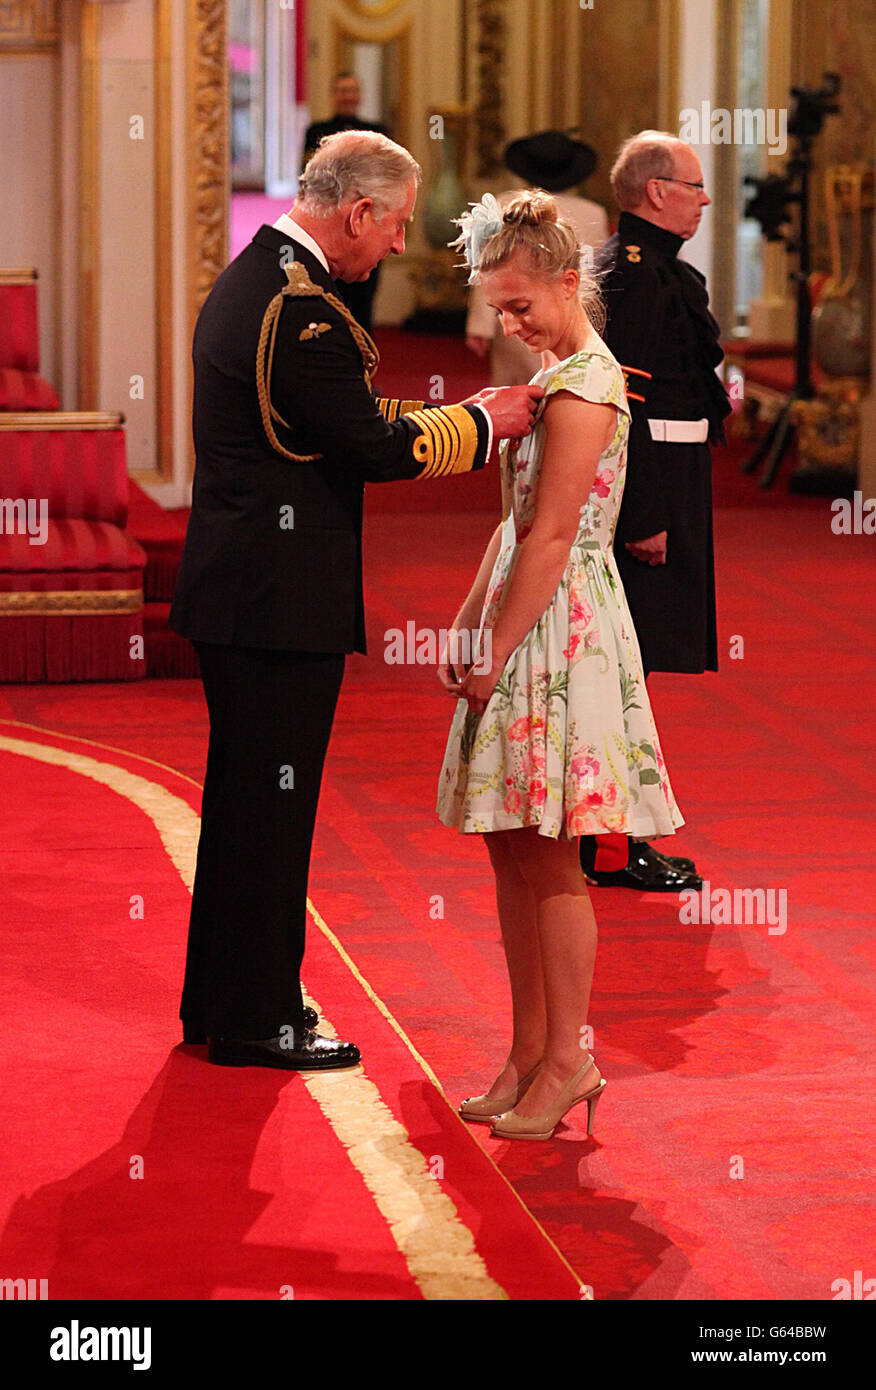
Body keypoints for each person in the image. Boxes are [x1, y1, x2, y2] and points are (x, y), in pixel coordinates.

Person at [170, 131, 543, 1072]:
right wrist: (483, 421)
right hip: (274, 598)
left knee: (246, 802)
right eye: (397, 226)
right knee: (271, 810)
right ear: (358, 213)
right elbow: (372, 443)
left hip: (244, 586)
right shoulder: (300, 310)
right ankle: (259, 1018)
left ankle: (224, 1000)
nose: (397, 246)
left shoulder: (257, 276)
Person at [436, 191, 683, 1140]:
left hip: (563, 628)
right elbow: (510, 527)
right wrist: (466, 623)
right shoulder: (551, 372)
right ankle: (528, 1052)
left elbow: (550, 539)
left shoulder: (588, 384)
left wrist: (494, 652)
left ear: (568, 281)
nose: (509, 322)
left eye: (520, 304)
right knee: (512, 845)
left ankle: (570, 1058)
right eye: (497, 308)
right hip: (523, 609)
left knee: (555, 857)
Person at [578, 131, 731, 893]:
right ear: (658, 191)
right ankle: (614, 847)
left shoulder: (660, 270)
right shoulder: (631, 277)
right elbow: (619, 405)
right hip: (650, 488)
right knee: (622, 672)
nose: (707, 200)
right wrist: (641, 515)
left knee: (633, 672)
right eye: (697, 186)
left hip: (674, 477)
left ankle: (620, 839)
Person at [465, 130, 609, 385]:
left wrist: (480, 324)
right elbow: (592, 274)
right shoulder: (594, 212)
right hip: (567, 316)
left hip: (513, 315)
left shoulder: (503, 204)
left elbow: (485, 270)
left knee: (513, 393)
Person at [302, 72, 389, 332]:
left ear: (359, 95)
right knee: (331, 300)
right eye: (342, 90)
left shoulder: (378, 133)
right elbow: (308, 177)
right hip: (329, 226)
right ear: (333, 95)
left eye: (352, 90)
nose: (347, 96)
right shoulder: (316, 132)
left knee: (364, 303)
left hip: (368, 226)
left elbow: (385, 180)